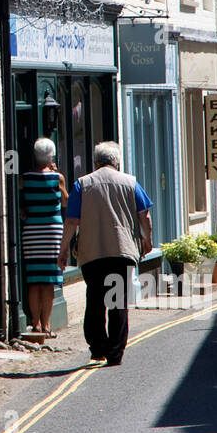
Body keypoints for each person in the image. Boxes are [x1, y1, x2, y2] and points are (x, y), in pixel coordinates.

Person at [57, 141, 152, 367]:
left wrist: (62, 251)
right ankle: (115, 352)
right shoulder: (131, 182)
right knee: (117, 300)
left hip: (92, 252)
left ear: (95, 162)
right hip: (121, 250)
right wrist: (147, 240)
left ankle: (98, 348)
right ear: (116, 162)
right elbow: (144, 214)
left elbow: (71, 221)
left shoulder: (82, 184)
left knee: (95, 300)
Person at [21, 138, 67, 338]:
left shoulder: (25, 178)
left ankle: (35, 324)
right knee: (48, 281)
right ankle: (47, 325)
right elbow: (66, 201)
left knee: (34, 280)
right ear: (51, 157)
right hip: (52, 232)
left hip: (32, 231)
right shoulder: (58, 178)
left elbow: (20, 202)